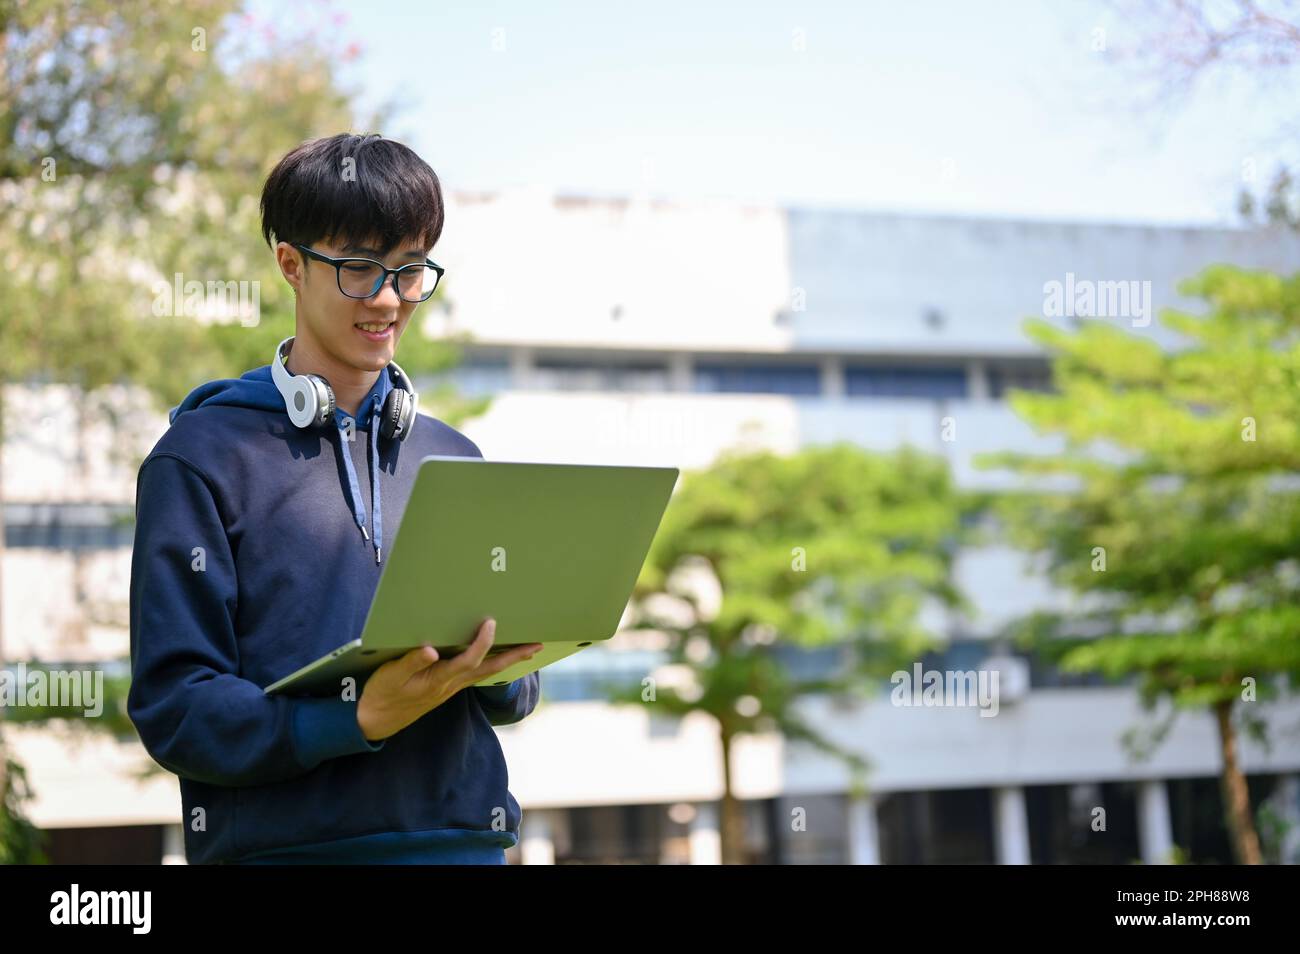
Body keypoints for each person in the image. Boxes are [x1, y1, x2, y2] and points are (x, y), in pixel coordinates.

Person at [127, 133, 542, 864]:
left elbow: (514, 695)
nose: (388, 299)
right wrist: (354, 720)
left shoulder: (453, 457)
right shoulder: (197, 459)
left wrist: (503, 667)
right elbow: (177, 709)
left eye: (410, 270)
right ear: (291, 264)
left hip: (464, 847)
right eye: (358, 269)